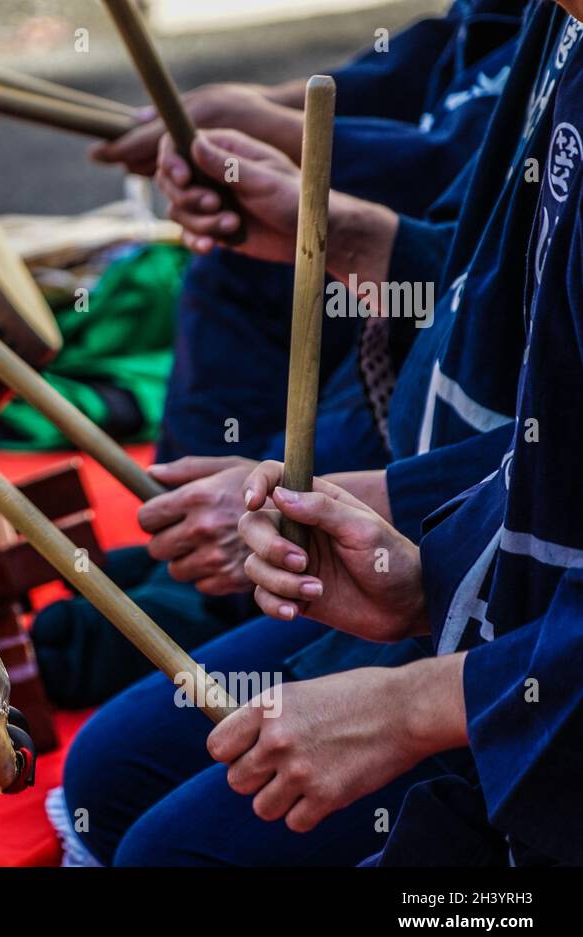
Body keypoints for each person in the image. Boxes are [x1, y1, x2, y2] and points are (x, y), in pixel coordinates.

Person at [62, 0, 581, 865]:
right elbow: (546, 420)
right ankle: (185, 583)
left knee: (171, 850)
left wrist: (412, 706)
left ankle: (192, 598)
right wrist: (422, 581)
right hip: (502, 605)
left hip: (541, 714)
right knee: (112, 781)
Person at [30, 0, 525, 707]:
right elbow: (434, 68)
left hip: (497, 446)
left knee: (108, 781)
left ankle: (245, 566)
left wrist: (306, 153)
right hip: (453, 294)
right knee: (239, 258)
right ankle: (197, 549)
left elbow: (461, 165)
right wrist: (266, 111)